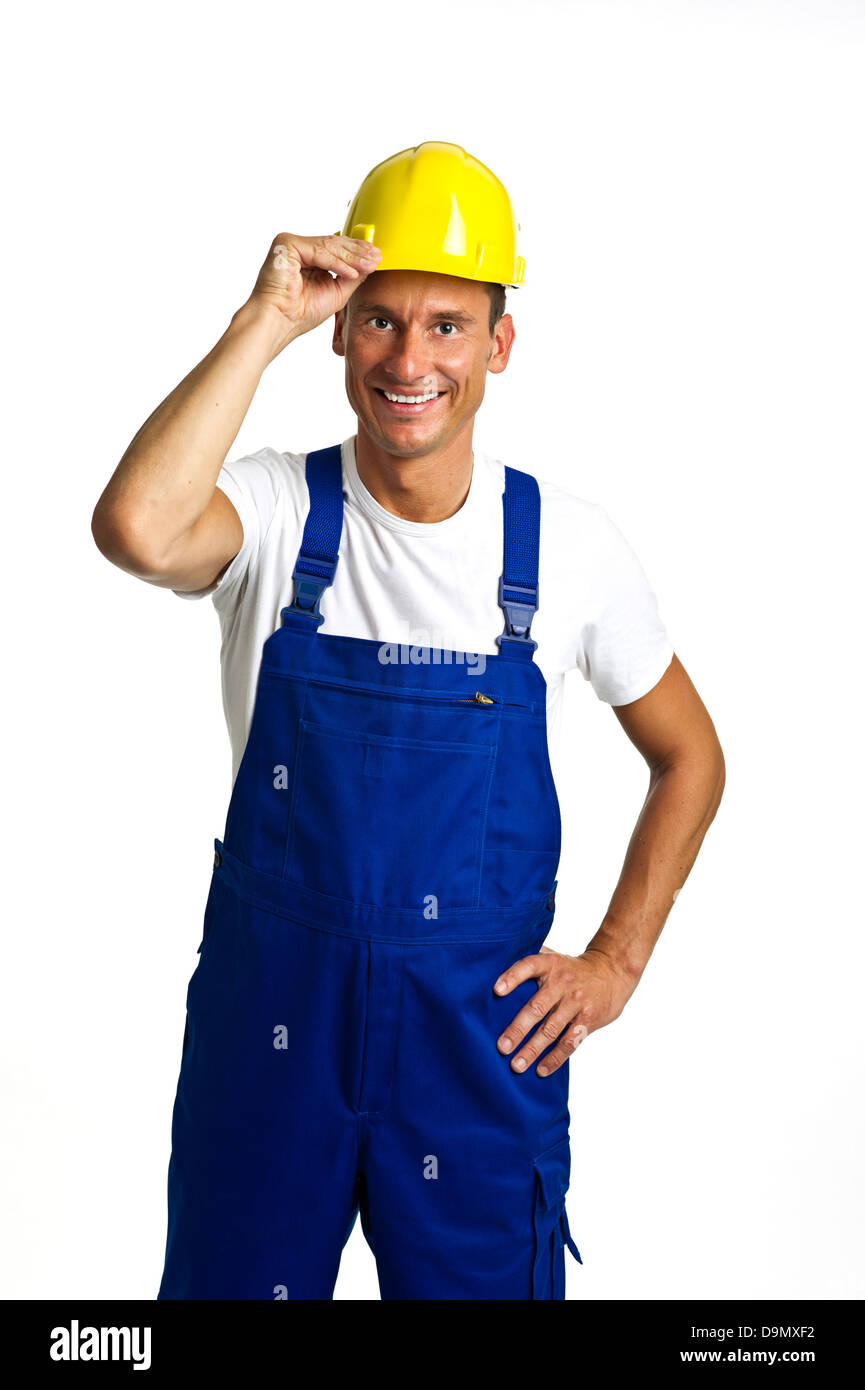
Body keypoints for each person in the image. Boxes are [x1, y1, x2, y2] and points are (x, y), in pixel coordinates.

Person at [91, 141, 725, 1301]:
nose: (409, 358)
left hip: (474, 1049)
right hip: (272, 1026)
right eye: (379, 320)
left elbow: (690, 756)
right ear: (338, 331)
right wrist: (262, 318)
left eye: (446, 324)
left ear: (499, 344)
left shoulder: (568, 549)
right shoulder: (280, 510)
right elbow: (136, 527)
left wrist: (615, 961)